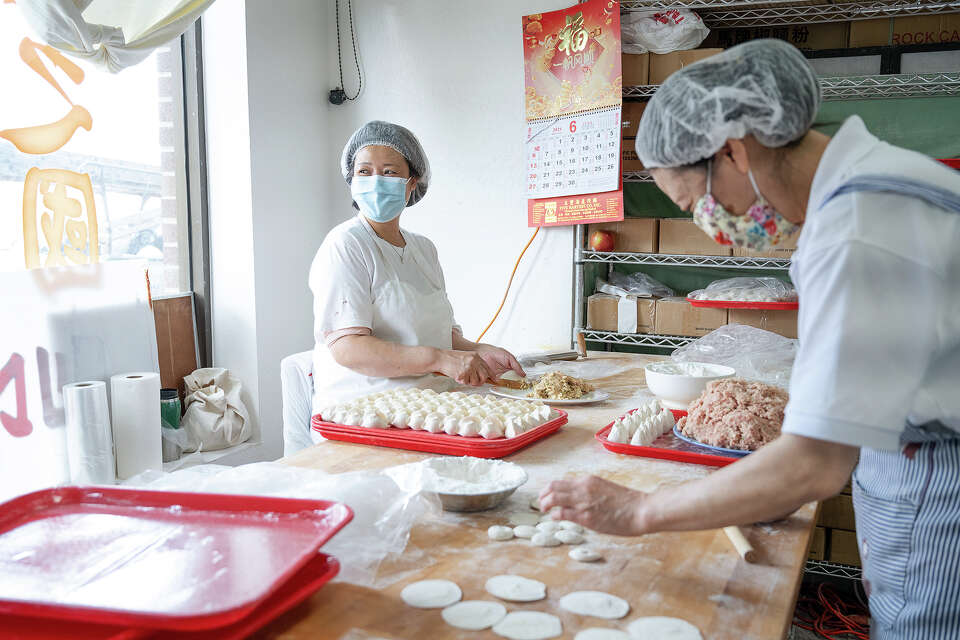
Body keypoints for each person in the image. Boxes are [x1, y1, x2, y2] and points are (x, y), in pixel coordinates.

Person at [540, 40, 960, 639]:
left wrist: (638, 510)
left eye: (696, 203)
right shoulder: (884, 180)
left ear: (734, 152)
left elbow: (815, 465)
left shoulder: (858, 231)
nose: (713, 231)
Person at [306, 121, 524, 442]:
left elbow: (441, 336)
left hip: (431, 409)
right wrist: (440, 360)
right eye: (364, 171)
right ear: (351, 180)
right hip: (366, 415)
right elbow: (348, 348)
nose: (376, 181)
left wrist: (479, 351)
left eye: (390, 171)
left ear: (412, 183)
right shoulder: (346, 244)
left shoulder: (423, 249)